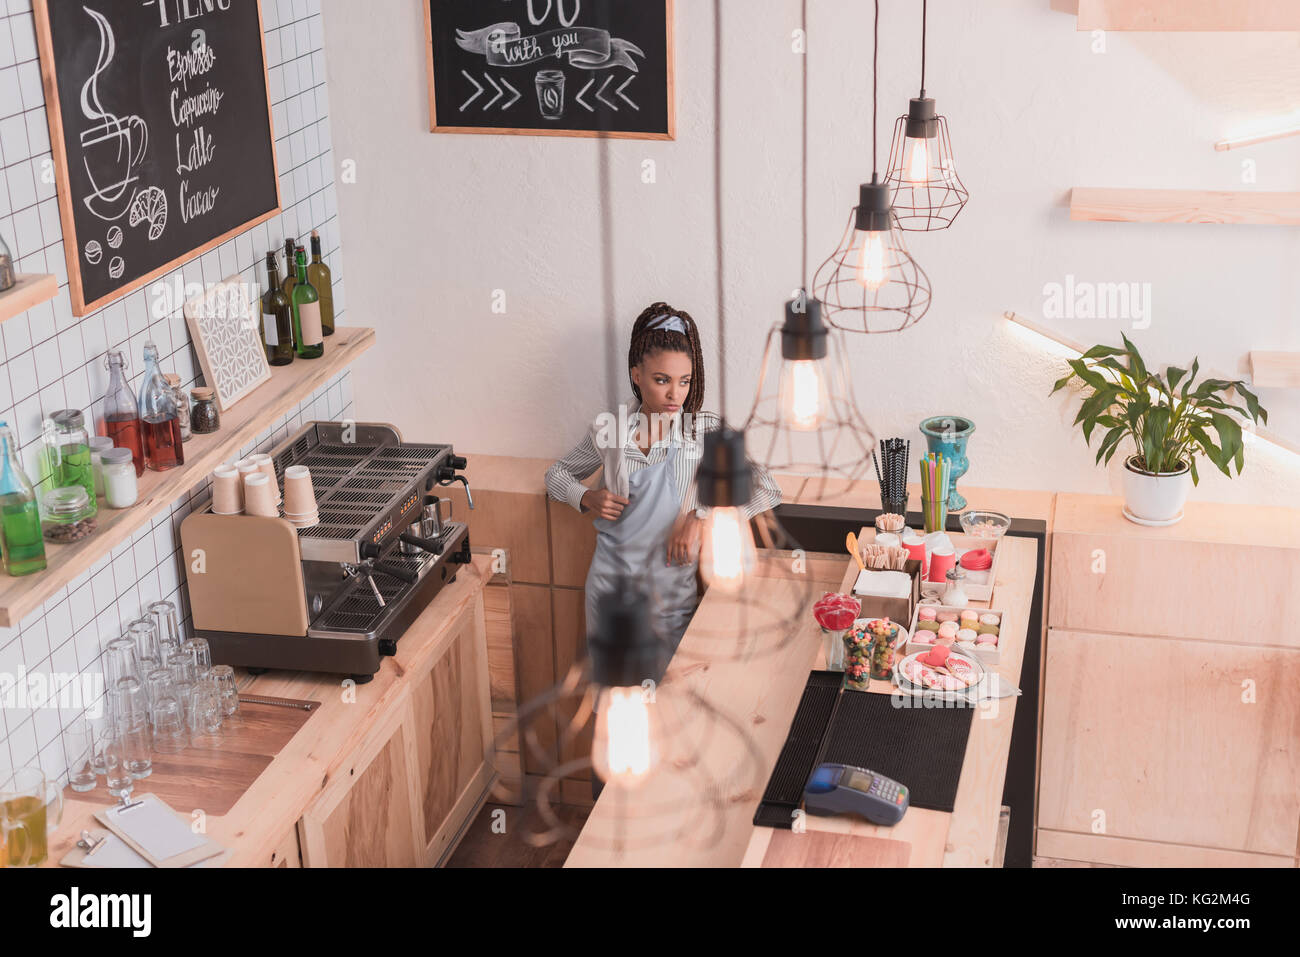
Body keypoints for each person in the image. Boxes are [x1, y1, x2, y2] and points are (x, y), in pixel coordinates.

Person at [545, 302, 782, 664]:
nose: (676, 395)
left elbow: (767, 488)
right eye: (662, 380)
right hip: (610, 596)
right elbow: (556, 475)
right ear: (636, 375)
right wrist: (586, 496)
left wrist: (703, 518)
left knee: (670, 708)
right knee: (614, 710)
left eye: (684, 381)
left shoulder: (704, 431)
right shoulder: (611, 429)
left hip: (670, 598)